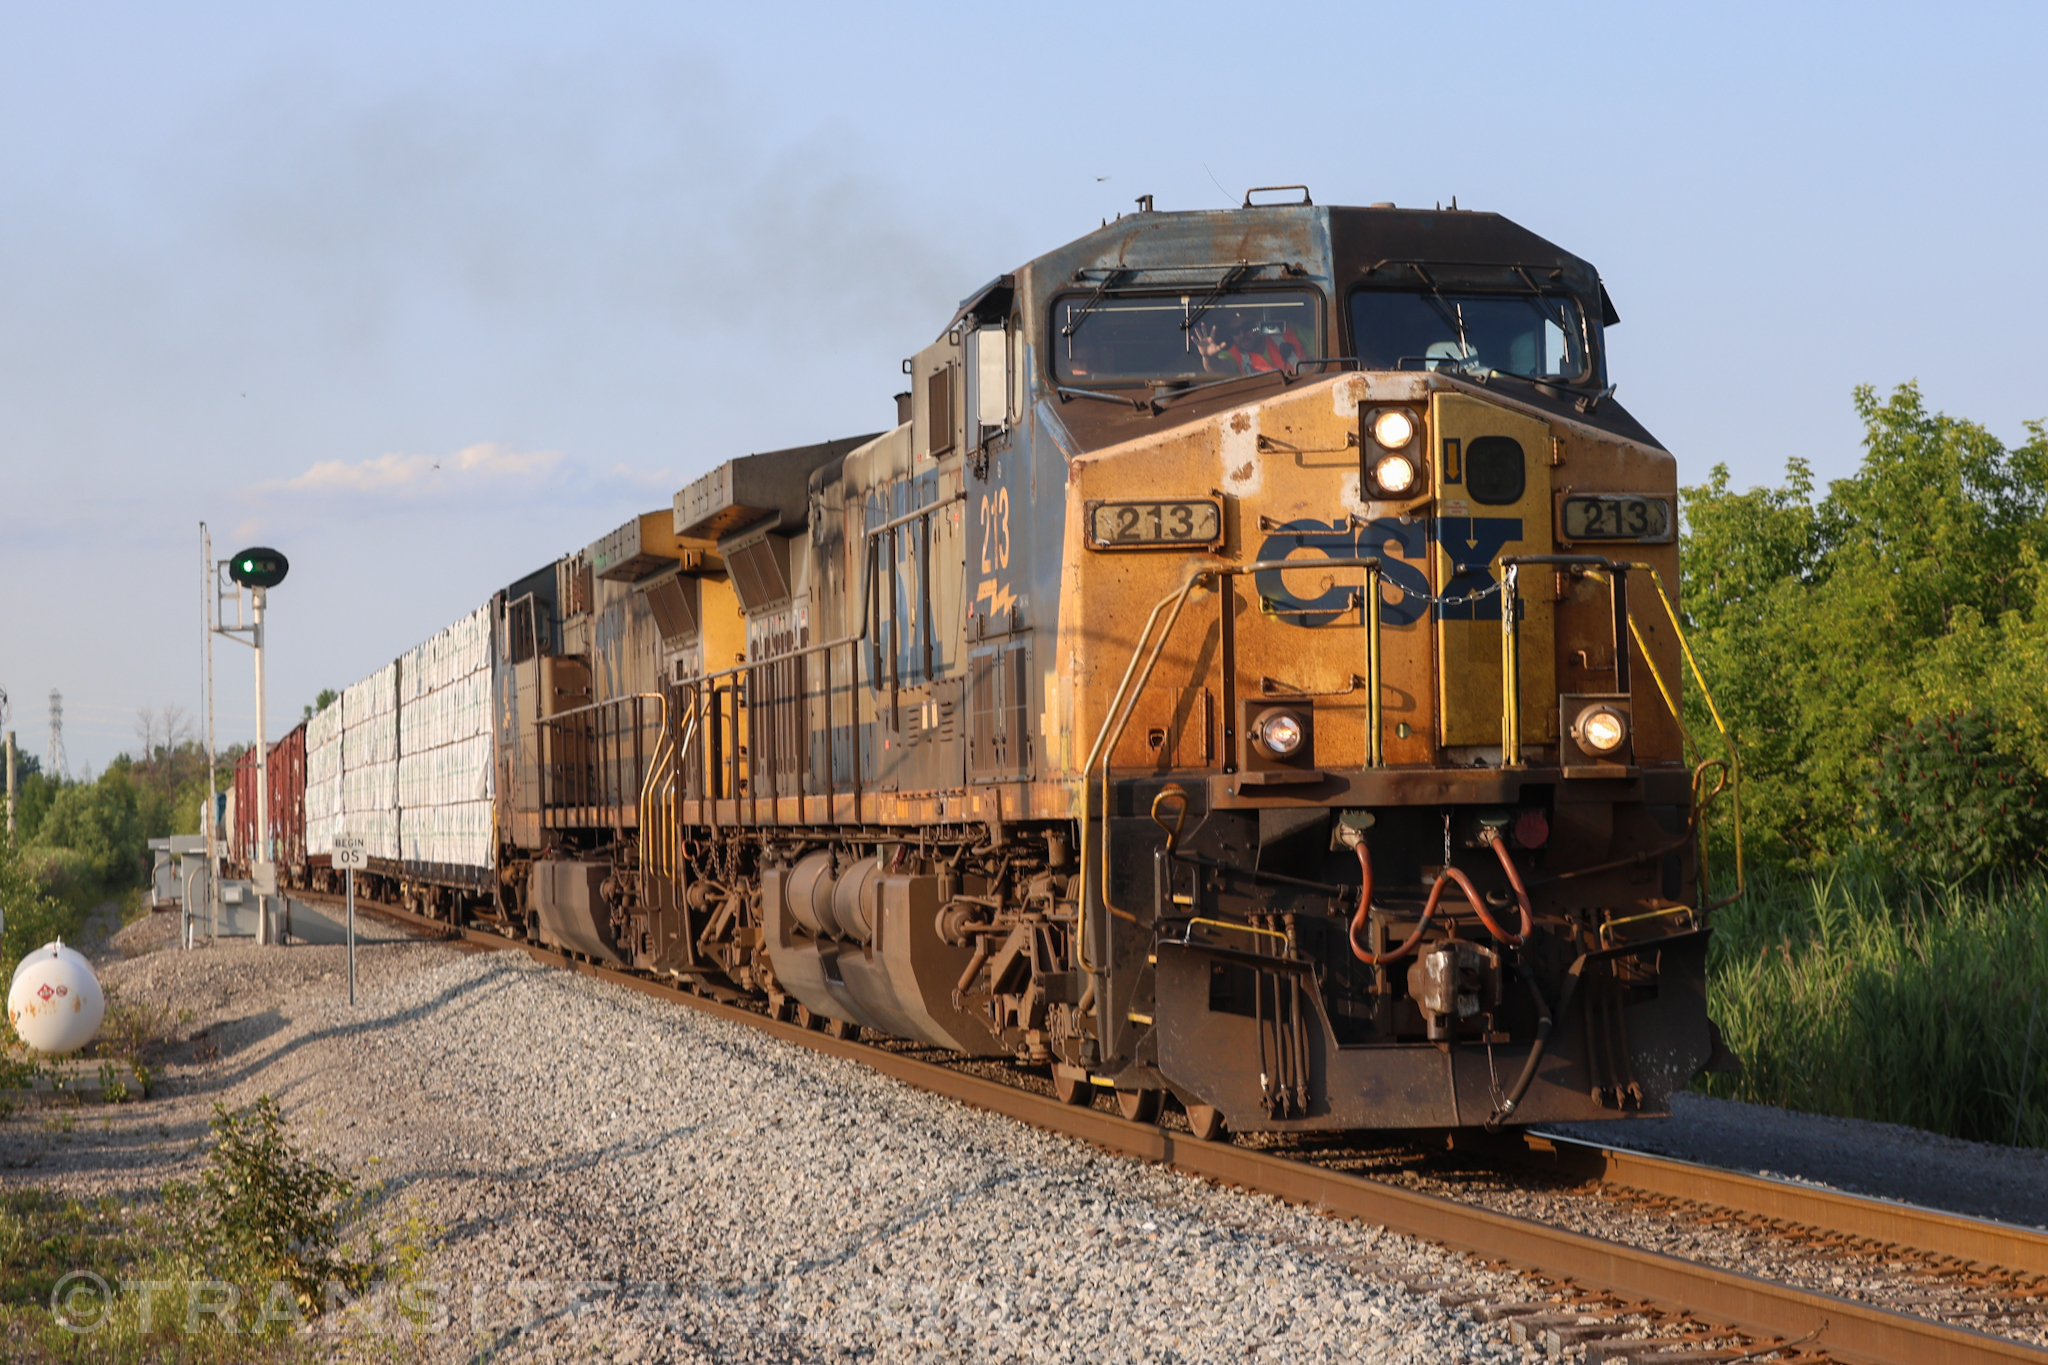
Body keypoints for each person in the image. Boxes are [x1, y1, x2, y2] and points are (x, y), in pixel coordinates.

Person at [1193, 312, 1307, 376]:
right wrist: (1208, 357)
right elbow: (1216, 368)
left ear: (1258, 323)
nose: (1242, 335)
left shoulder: (1289, 332)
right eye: (1235, 331)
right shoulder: (1232, 356)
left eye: (1246, 327)